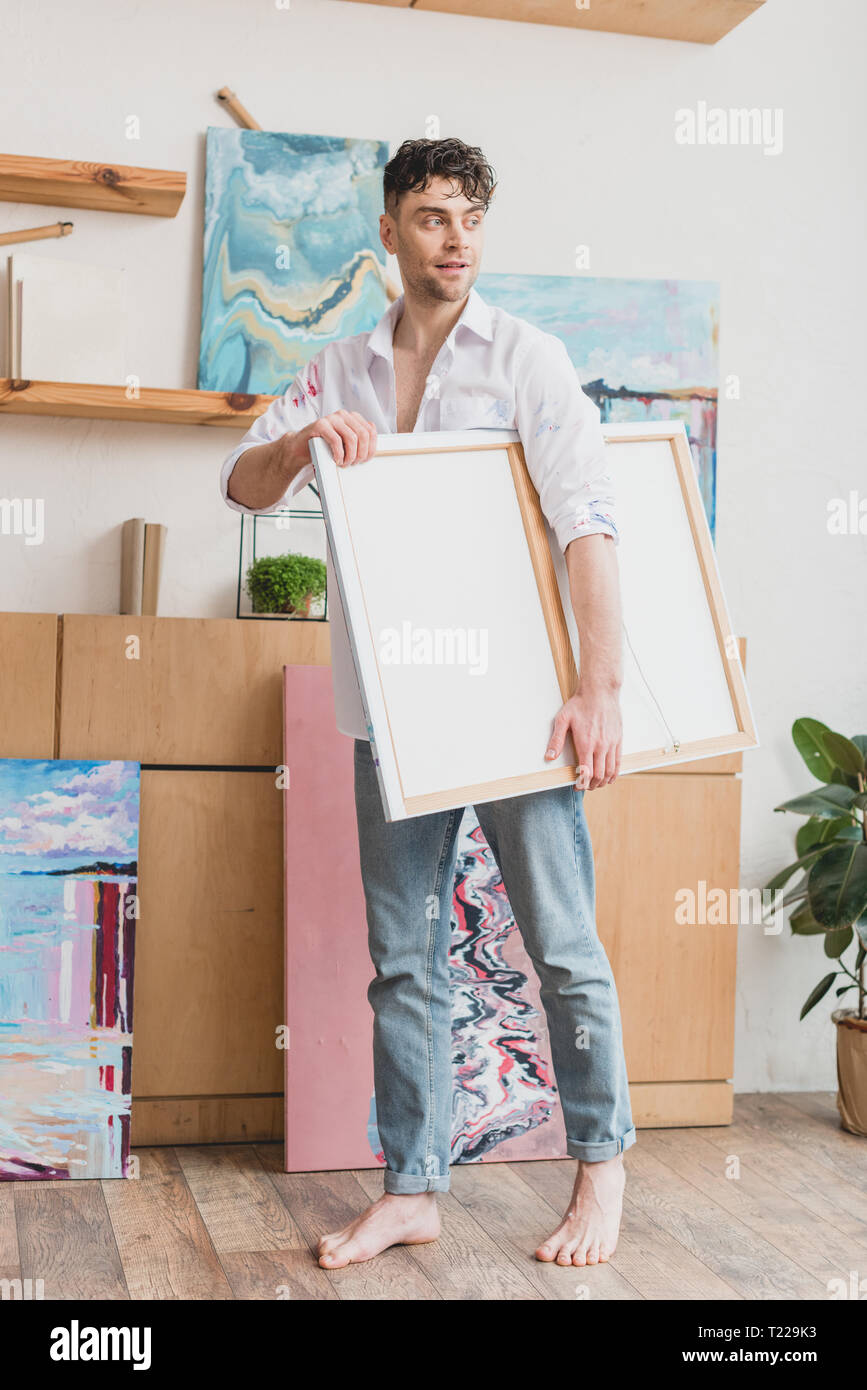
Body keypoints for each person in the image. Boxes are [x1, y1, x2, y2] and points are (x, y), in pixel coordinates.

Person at [221, 137, 635, 1270]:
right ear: (389, 232)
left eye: (470, 217)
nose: (455, 238)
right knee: (403, 961)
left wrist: (598, 691)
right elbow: (239, 481)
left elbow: (588, 525)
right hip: (390, 718)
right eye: (433, 217)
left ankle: (602, 1166)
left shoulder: (529, 360)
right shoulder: (338, 367)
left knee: (561, 947)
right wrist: (307, 441)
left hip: (517, 714)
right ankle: (412, 1187)